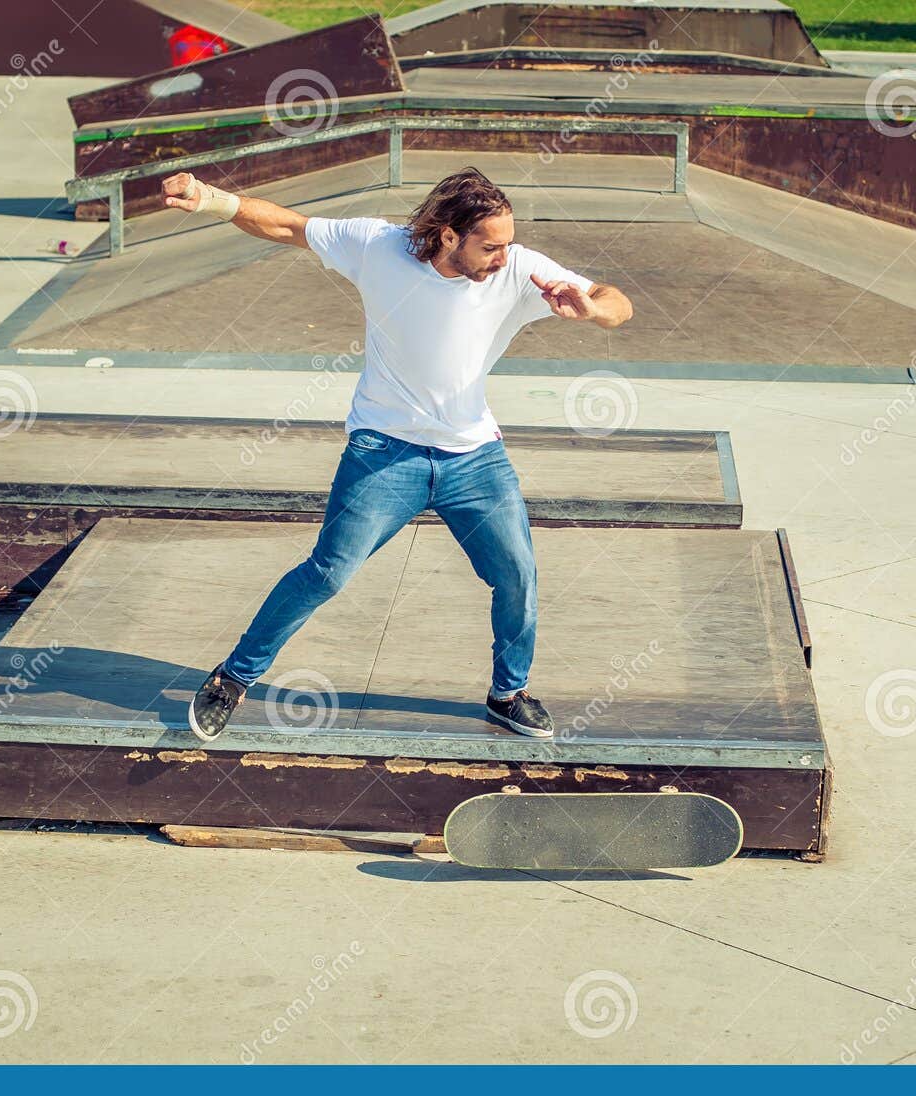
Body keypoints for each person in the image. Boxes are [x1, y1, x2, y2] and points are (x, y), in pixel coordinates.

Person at [161, 165, 633, 742]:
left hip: (473, 458)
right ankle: (233, 677)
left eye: (507, 244)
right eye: (490, 246)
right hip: (383, 453)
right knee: (328, 574)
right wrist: (209, 198)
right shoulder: (377, 247)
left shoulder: (520, 271)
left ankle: (509, 693)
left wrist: (589, 308)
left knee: (517, 574)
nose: (503, 258)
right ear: (448, 235)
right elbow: (287, 227)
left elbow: (617, 302)